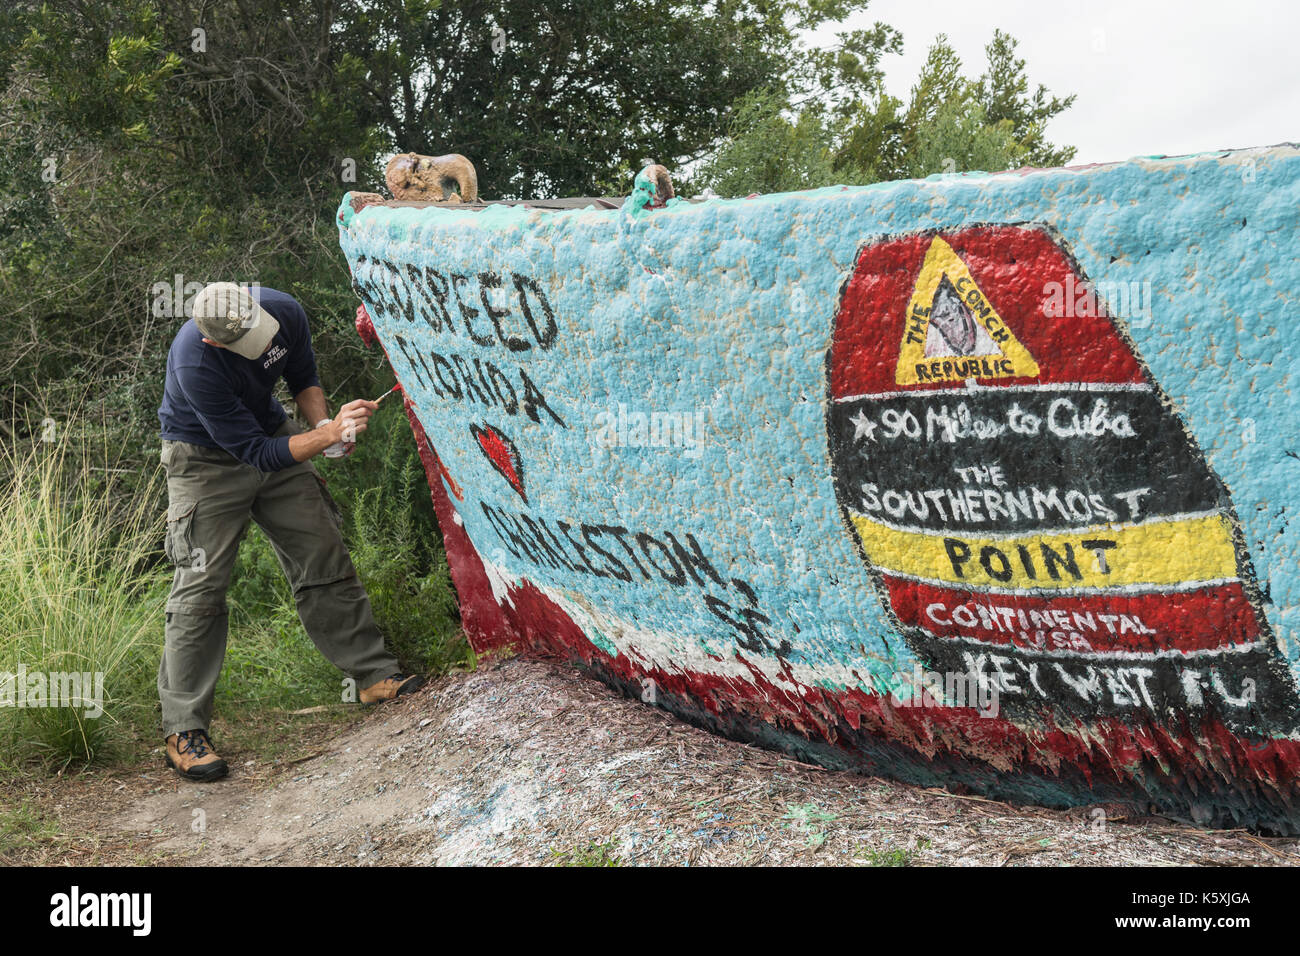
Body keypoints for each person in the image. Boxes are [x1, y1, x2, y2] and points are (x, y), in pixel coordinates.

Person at [155, 282, 422, 781]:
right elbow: (255, 454)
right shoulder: (195, 362)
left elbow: (303, 377)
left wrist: (331, 433)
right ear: (214, 341)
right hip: (203, 461)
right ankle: (184, 730)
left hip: (275, 433)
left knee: (321, 548)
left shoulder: (282, 310)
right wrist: (324, 435)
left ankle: (372, 675)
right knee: (201, 587)